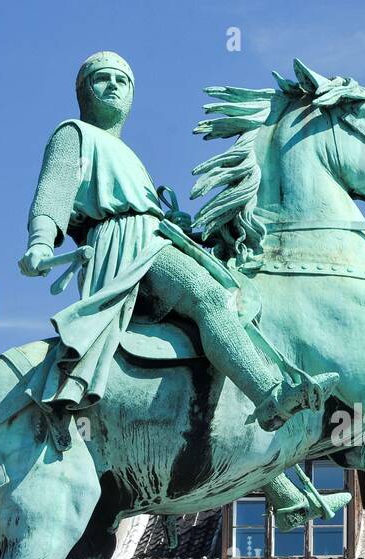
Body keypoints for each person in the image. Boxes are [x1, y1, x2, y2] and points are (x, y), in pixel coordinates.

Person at [19, 51, 346, 528]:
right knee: (214, 300)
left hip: (156, 238)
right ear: (83, 92)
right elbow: (52, 194)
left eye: (121, 80)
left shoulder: (128, 155)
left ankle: (282, 491)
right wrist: (38, 242)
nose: (111, 87)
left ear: (131, 96)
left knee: (224, 326)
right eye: (101, 80)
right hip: (128, 246)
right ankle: (272, 395)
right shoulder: (75, 134)